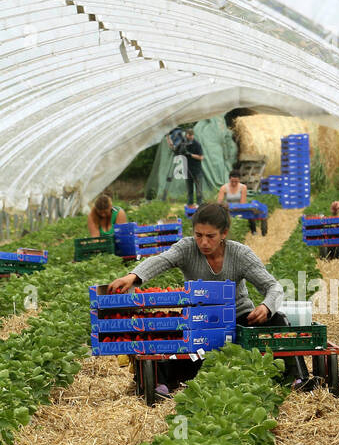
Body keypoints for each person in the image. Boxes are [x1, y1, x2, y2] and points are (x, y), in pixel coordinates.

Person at [105, 203, 311, 397]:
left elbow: (273, 286)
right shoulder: (187, 248)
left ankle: (297, 378)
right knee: (164, 336)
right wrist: (133, 277)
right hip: (200, 323)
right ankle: (161, 384)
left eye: (211, 236)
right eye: (198, 235)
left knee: (278, 321)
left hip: (238, 320)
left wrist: (266, 307)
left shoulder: (240, 254)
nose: (203, 242)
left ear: (224, 234)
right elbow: (162, 260)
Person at [218, 168, 259, 233]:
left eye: (236, 182)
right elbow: (219, 202)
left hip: (239, 207)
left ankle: (253, 231)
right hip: (228, 208)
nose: (234, 183)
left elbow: (243, 203)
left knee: (250, 212)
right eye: (232, 181)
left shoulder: (243, 187)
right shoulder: (224, 188)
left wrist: (237, 208)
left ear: (239, 180)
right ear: (229, 179)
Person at [179, 129, 206, 206]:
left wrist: (190, 155)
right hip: (187, 170)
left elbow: (201, 157)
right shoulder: (183, 144)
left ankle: (199, 204)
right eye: (188, 135)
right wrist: (182, 152)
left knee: (198, 190)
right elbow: (179, 154)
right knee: (189, 190)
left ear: (193, 135)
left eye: (191, 135)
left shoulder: (197, 144)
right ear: (186, 135)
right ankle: (190, 204)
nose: (190, 136)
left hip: (197, 170)